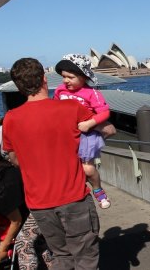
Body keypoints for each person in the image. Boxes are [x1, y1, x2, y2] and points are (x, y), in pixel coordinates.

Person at [3, 57, 100, 270]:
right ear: (45, 79)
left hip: (39, 204)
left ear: (19, 88)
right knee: (85, 258)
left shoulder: (10, 119)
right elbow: (104, 129)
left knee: (60, 256)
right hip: (73, 198)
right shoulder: (71, 108)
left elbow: (14, 158)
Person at [53, 54, 113, 209]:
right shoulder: (60, 91)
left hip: (86, 134)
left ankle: (98, 190)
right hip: (67, 134)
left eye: (71, 77)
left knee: (87, 167)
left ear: (83, 77)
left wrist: (89, 123)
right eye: (64, 77)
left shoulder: (91, 93)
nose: (66, 81)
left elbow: (105, 113)